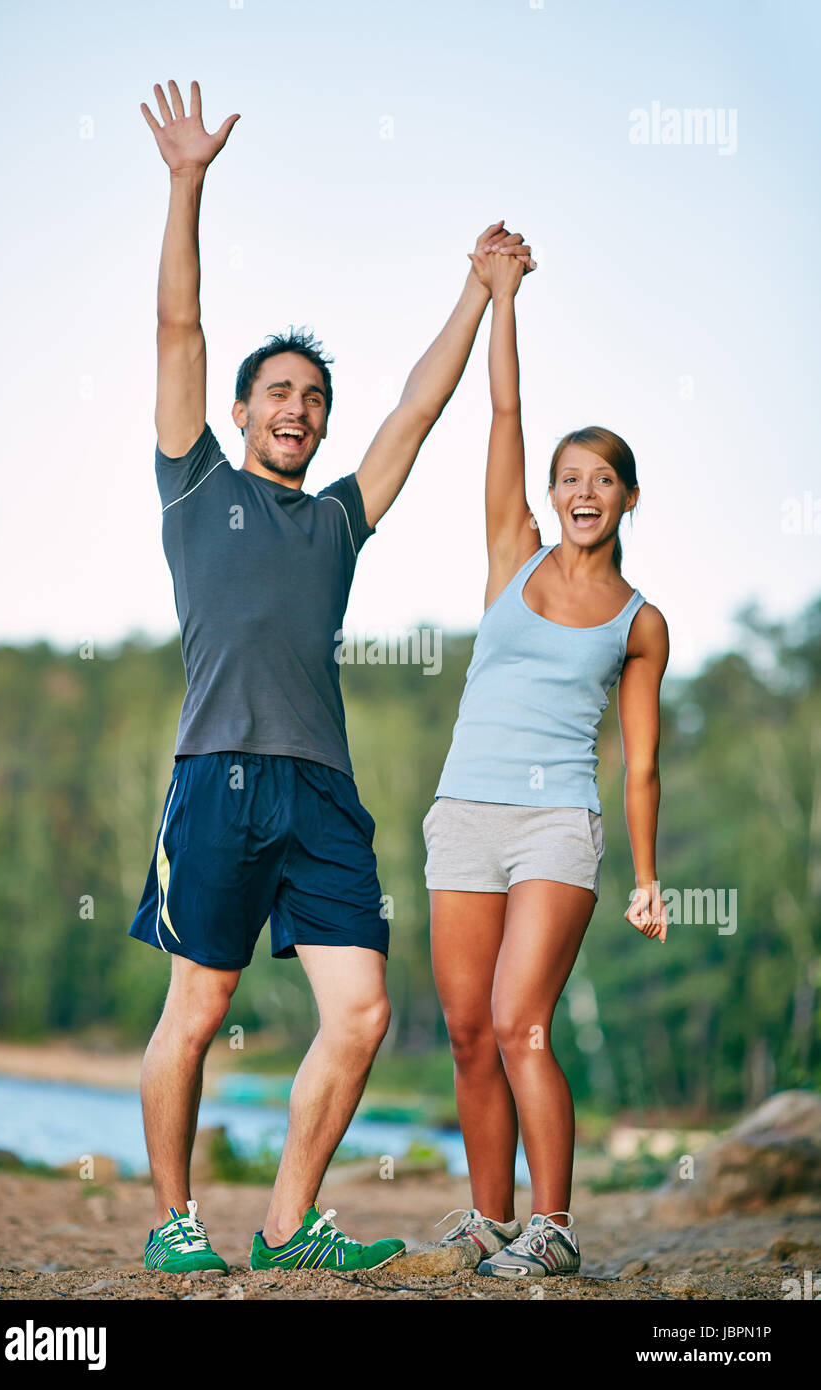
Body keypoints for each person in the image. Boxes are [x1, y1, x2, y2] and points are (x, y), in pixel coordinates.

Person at [130, 77, 532, 1275]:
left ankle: (290, 1220)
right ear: (244, 412)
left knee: (361, 1013)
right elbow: (179, 332)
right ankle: (172, 1222)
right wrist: (188, 184)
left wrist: (476, 289)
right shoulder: (195, 486)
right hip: (217, 778)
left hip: (320, 793)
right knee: (196, 1010)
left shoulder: (339, 519)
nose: (298, 409)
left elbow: (417, 408)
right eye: (281, 394)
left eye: (313, 398)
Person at [423, 243, 670, 1279]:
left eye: (598, 480)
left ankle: (552, 1224)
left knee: (523, 1021)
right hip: (463, 813)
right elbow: (503, 418)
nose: (579, 492)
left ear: (624, 498)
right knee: (468, 1030)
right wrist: (499, 297)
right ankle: (487, 1221)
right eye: (567, 478)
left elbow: (640, 767)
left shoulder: (640, 621)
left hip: (555, 824)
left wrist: (649, 879)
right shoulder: (507, 549)